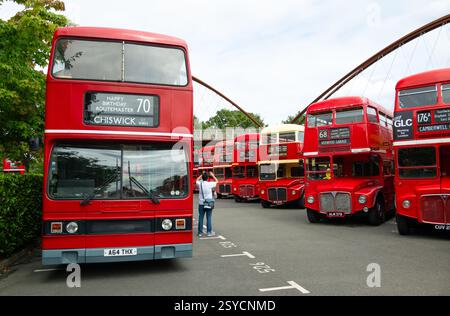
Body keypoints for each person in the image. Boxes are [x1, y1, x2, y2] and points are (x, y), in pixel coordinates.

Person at [196, 171, 218, 237]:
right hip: (209, 203)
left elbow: (197, 180)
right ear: (208, 178)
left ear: (202, 178)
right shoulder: (210, 184)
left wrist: (201, 175)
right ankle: (209, 232)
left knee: (201, 217)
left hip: (201, 203)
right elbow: (217, 181)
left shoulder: (200, 184)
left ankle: (200, 233)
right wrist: (213, 175)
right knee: (209, 217)